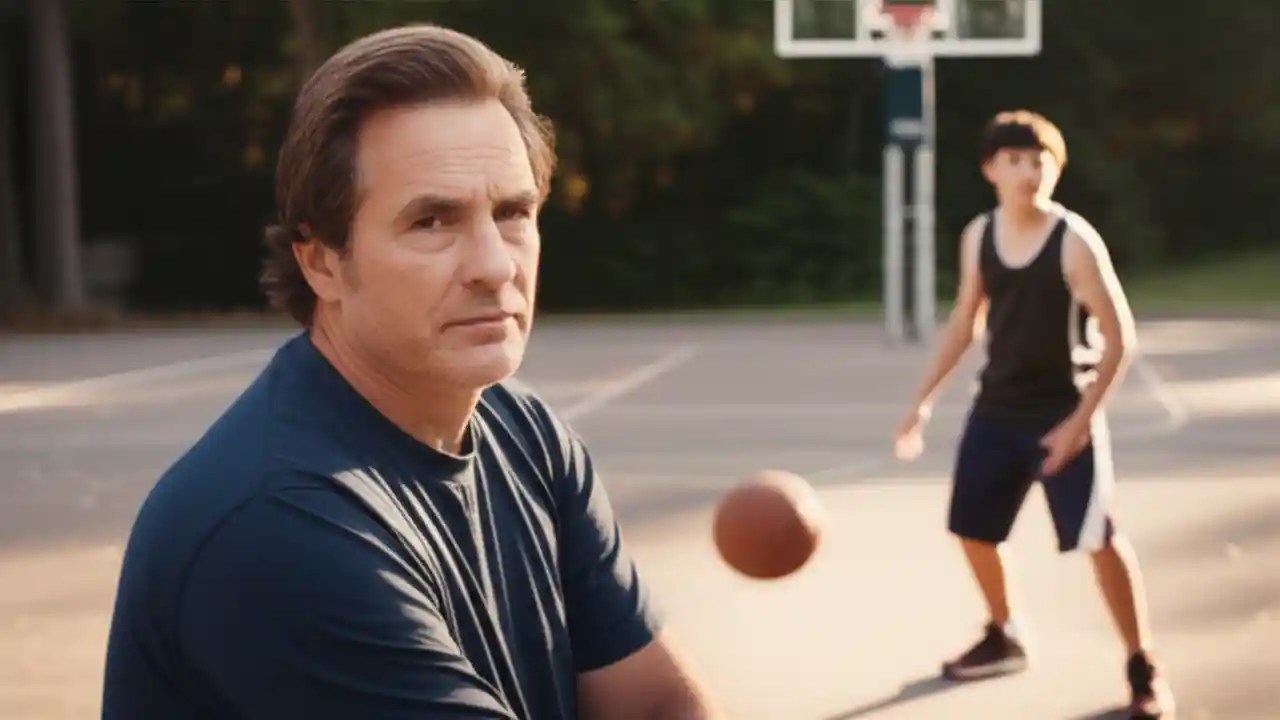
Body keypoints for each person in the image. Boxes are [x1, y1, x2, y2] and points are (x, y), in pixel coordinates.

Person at [102, 24, 718, 720]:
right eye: (432, 222)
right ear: (321, 261)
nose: (494, 265)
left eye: (514, 213)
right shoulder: (280, 524)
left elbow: (657, 705)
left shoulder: (528, 437)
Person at [892, 110, 1175, 719]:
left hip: (1061, 412)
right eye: (1014, 160)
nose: (1028, 171)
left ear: (1056, 167)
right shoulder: (979, 235)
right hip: (996, 409)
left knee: (1100, 540)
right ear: (991, 170)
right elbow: (966, 321)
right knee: (972, 530)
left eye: (1039, 159)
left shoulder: (1074, 240)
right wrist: (923, 398)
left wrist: (1077, 427)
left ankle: (1141, 665)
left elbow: (1120, 338)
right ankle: (1006, 632)